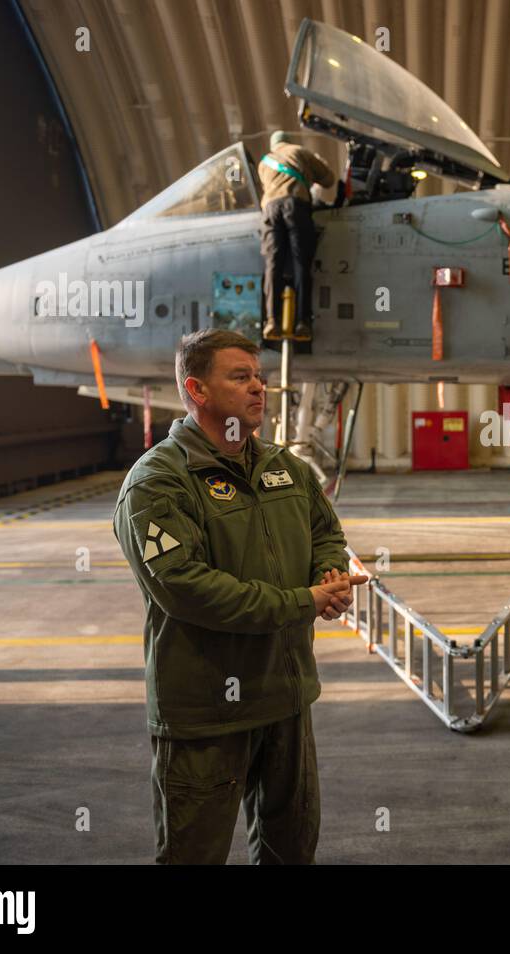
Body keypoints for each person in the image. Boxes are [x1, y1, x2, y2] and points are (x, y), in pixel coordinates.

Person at [112, 328, 367, 864]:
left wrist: (328, 572)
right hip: (206, 712)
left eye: (259, 376)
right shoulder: (158, 483)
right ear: (197, 391)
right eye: (240, 376)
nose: (258, 388)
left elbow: (327, 532)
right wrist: (305, 602)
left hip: (285, 699)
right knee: (195, 854)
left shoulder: (285, 467)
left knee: (291, 849)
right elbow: (188, 589)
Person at [258, 130, 335, 341]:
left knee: (273, 264)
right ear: (288, 142)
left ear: (274, 145)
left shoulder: (264, 162)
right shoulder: (299, 152)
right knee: (301, 263)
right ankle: (303, 322)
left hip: (270, 210)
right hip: (295, 206)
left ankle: (272, 321)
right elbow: (328, 180)